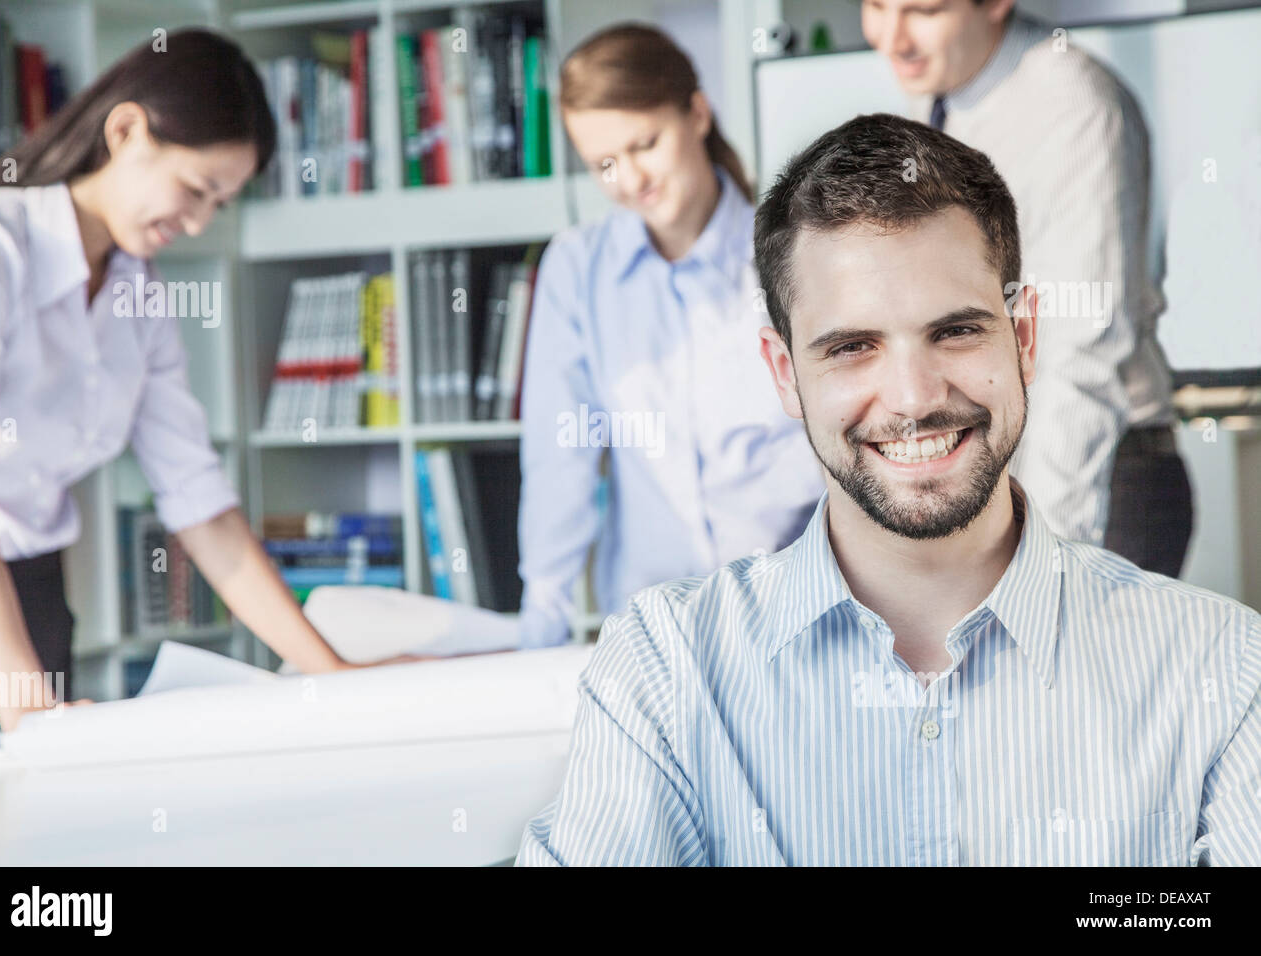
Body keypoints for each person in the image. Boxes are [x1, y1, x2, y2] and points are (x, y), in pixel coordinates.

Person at [516, 114, 1261, 866]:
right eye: (852, 347)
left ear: (1024, 338)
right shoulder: (664, 669)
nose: (912, 397)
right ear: (786, 376)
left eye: (957, 332)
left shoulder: (1220, 669)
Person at [0, 30, 370, 732]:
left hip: (27, 587)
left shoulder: (140, 294)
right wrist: (28, 709)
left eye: (220, 202)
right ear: (125, 130)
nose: (199, 221)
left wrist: (336, 681)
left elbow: (200, 506)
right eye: (195, 189)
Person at [517, 24, 824, 649]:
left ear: (698, 113)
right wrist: (539, 634)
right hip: (650, 638)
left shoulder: (796, 251)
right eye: (604, 163)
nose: (629, 179)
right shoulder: (577, 269)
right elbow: (560, 460)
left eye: (644, 144)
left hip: (796, 625)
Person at [862, 0, 1192, 576]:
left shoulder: (1072, 104)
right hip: (999, 479)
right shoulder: (941, 93)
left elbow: (1083, 350)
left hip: (1093, 479)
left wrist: (1047, 560)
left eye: (924, 11)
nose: (892, 38)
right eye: (874, 5)